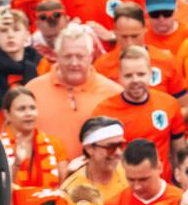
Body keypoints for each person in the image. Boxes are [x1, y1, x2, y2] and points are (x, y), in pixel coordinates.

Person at [23, 23, 122, 159]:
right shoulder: (32, 91)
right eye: (67, 56)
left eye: (80, 56)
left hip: (94, 177)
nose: (74, 63)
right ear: (56, 56)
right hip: (46, 175)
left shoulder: (113, 93)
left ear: (91, 57)